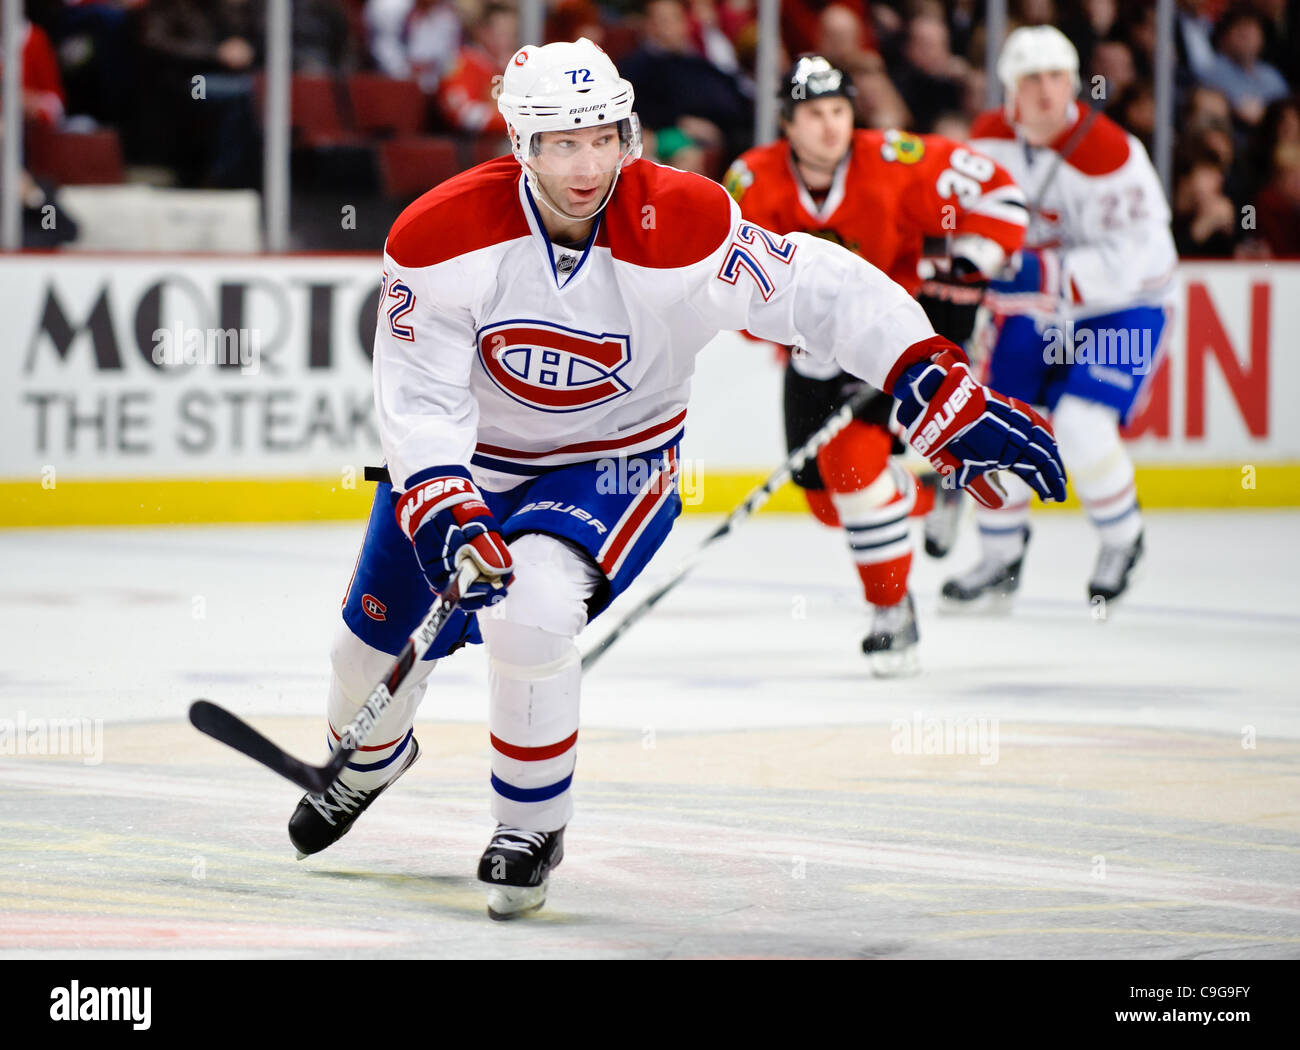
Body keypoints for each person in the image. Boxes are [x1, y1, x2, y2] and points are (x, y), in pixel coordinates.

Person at [285, 38, 1067, 919]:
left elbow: (817, 289)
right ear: (520, 146)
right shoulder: (437, 237)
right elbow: (420, 400)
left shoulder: (685, 221)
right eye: (562, 143)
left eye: (604, 137)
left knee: (532, 608)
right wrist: (447, 509)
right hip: (469, 466)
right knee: (363, 654)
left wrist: (934, 381)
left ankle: (528, 827)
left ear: (630, 134)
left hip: (612, 463)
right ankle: (377, 757)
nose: (588, 166)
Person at [723, 55, 1029, 674]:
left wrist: (963, 265)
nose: (831, 126)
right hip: (810, 360)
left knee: (853, 475)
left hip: (888, 348)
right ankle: (935, 487)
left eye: (839, 110)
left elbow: (998, 193)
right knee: (827, 502)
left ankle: (891, 613)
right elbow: (722, 268)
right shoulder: (750, 182)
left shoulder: (893, 160)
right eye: (814, 114)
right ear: (787, 123)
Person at [944, 25, 1177, 611]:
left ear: (1072, 82)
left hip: (1123, 307)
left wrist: (1047, 274)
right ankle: (1000, 556)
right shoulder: (988, 139)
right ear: (1009, 91)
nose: (1046, 91)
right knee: (996, 422)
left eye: (1055, 77)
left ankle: (1124, 540)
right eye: (1031, 79)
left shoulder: (1111, 154)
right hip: (1039, 308)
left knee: (1078, 422)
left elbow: (1145, 259)